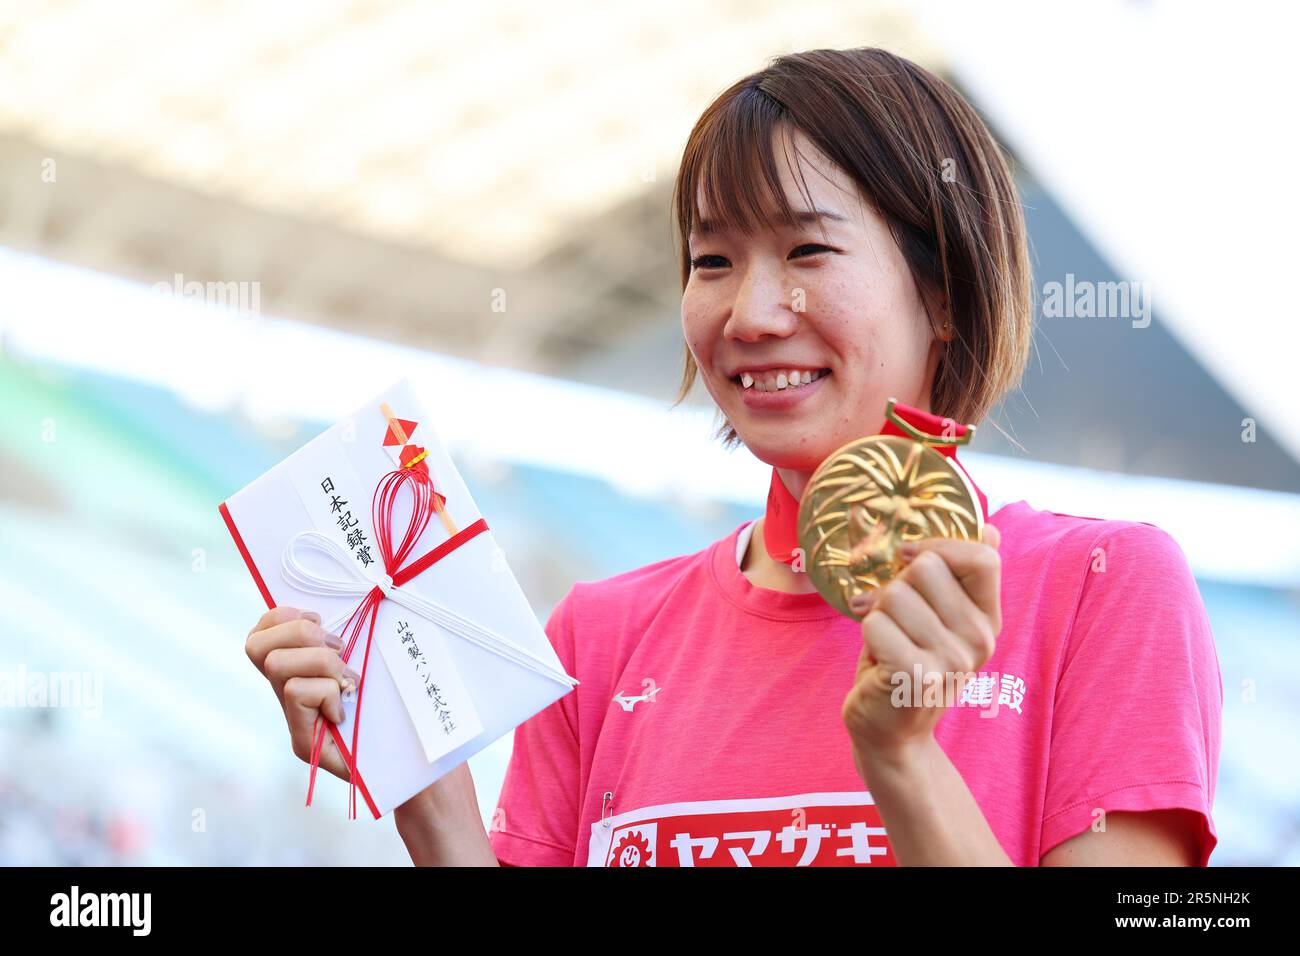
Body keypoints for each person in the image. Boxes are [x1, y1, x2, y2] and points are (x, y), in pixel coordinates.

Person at [244, 47, 1221, 867]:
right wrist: (427, 792)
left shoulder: (1101, 586)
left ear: (947, 293)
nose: (748, 315)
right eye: (711, 260)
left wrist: (903, 758)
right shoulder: (601, 637)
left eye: (807, 252)